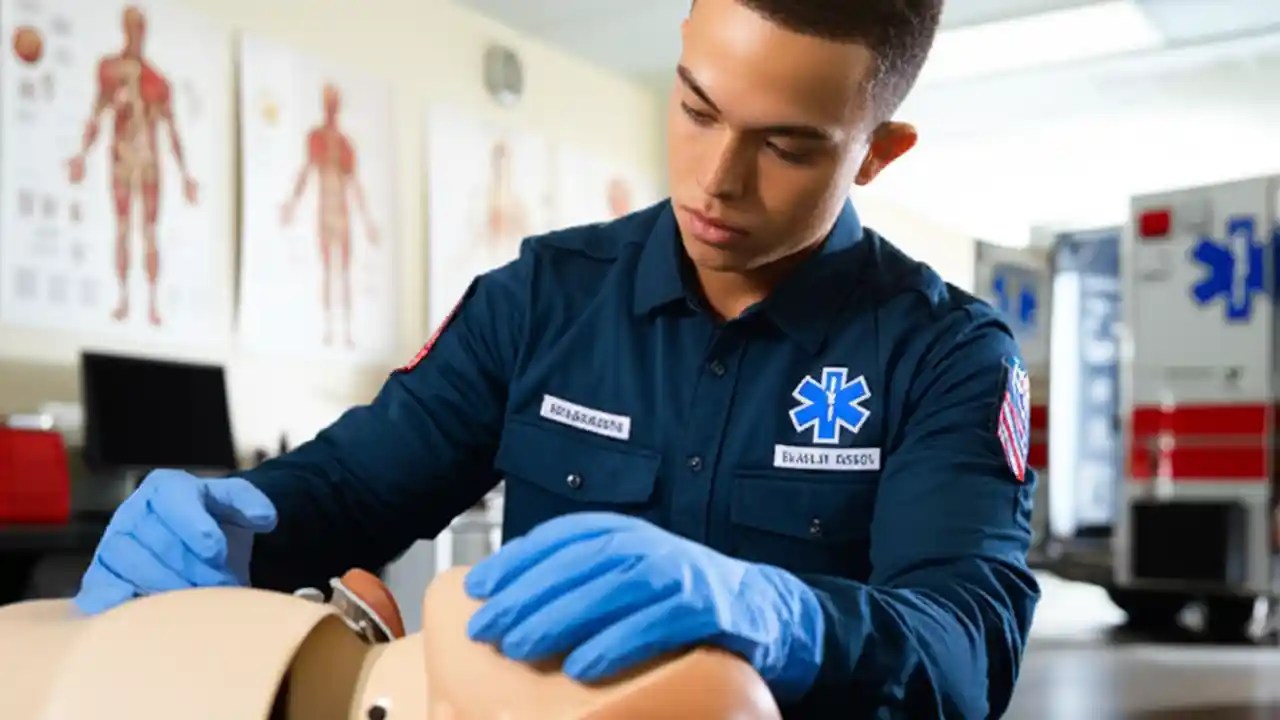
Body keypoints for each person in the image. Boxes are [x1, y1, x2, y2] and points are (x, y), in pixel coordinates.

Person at [73, 0, 1040, 716]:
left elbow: (969, 649)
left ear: (877, 152)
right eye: (697, 109)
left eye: (786, 147)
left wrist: (775, 614)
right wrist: (233, 521)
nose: (716, 181)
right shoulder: (544, 299)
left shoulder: (948, 356)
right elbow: (355, 487)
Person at [67, 5, 198, 326]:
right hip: (123, 157)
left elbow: (171, 129)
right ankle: (124, 298)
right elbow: (96, 114)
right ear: (124, 30)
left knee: (150, 232)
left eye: (140, 28)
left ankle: (152, 301)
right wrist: (82, 155)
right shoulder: (110, 70)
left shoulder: (157, 80)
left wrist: (185, 175)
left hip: (149, 161)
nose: (136, 34)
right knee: (123, 229)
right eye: (132, 27)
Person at [281, 83, 379, 348]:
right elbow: (306, 172)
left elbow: (355, 184)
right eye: (328, 102)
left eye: (334, 102)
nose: (331, 107)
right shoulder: (316, 139)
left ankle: (346, 330)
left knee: (344, 273)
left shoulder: (346, 145)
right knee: (327, 271)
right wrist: (291, 204)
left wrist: (368, 222)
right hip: (325, 212)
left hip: (342, 213)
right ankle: (327, 328)